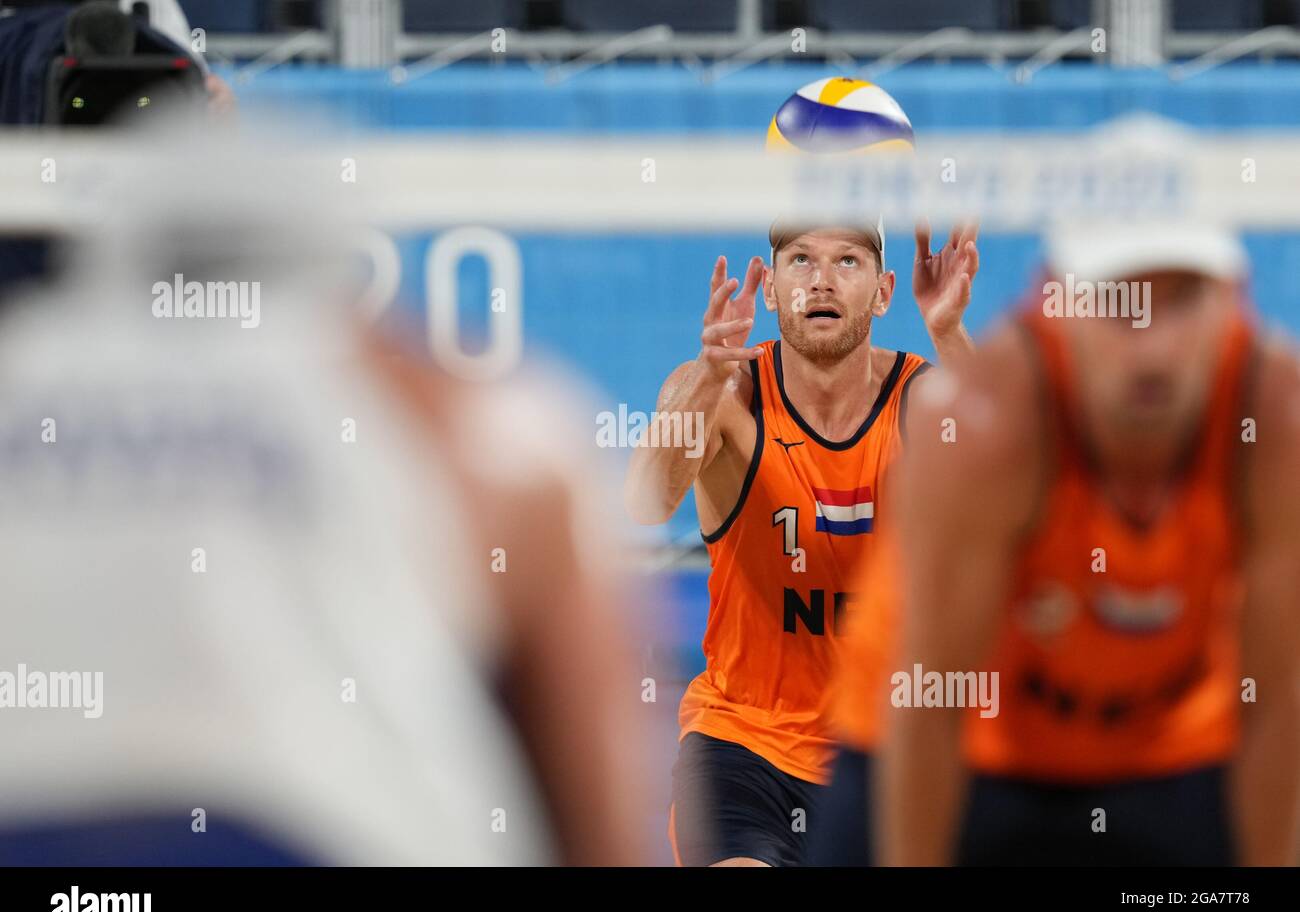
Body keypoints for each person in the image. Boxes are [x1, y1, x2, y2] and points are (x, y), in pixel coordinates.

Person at [0, 118, 649, 866]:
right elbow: (596, 798)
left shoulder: (21, 366)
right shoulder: (434, 399)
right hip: (316, 829)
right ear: (340, 276)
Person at [836, 223, 1300, 866]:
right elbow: (930, 703)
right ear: (1055, 306)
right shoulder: (982, 422)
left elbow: (1276, 700)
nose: (1155, 349)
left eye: (1183, 301)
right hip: (963, 753)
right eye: (1117, 305)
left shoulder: (1278, 418)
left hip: (1162, 752)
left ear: (1236, 301)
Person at [624, 217, 978, 866]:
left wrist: (949, 331)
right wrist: (706, 373)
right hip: (742, 744)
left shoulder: (921, 398)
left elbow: (1020, 477)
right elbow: (646, 502)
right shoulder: (723, 392)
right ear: (770, 290)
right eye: (800, 260)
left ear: (884, 291)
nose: (820, 280)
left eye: (847, 261)